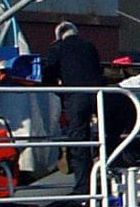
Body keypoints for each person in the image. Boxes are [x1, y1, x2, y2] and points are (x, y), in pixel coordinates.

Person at [40, 20, 103, 185]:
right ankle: (103, 181)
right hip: (99, 95)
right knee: (102, 138)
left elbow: (49, 77)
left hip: (76, 97)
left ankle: (83, 188)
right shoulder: (90, 46)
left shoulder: (57, 48)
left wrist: (60, 91)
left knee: (78, 142)